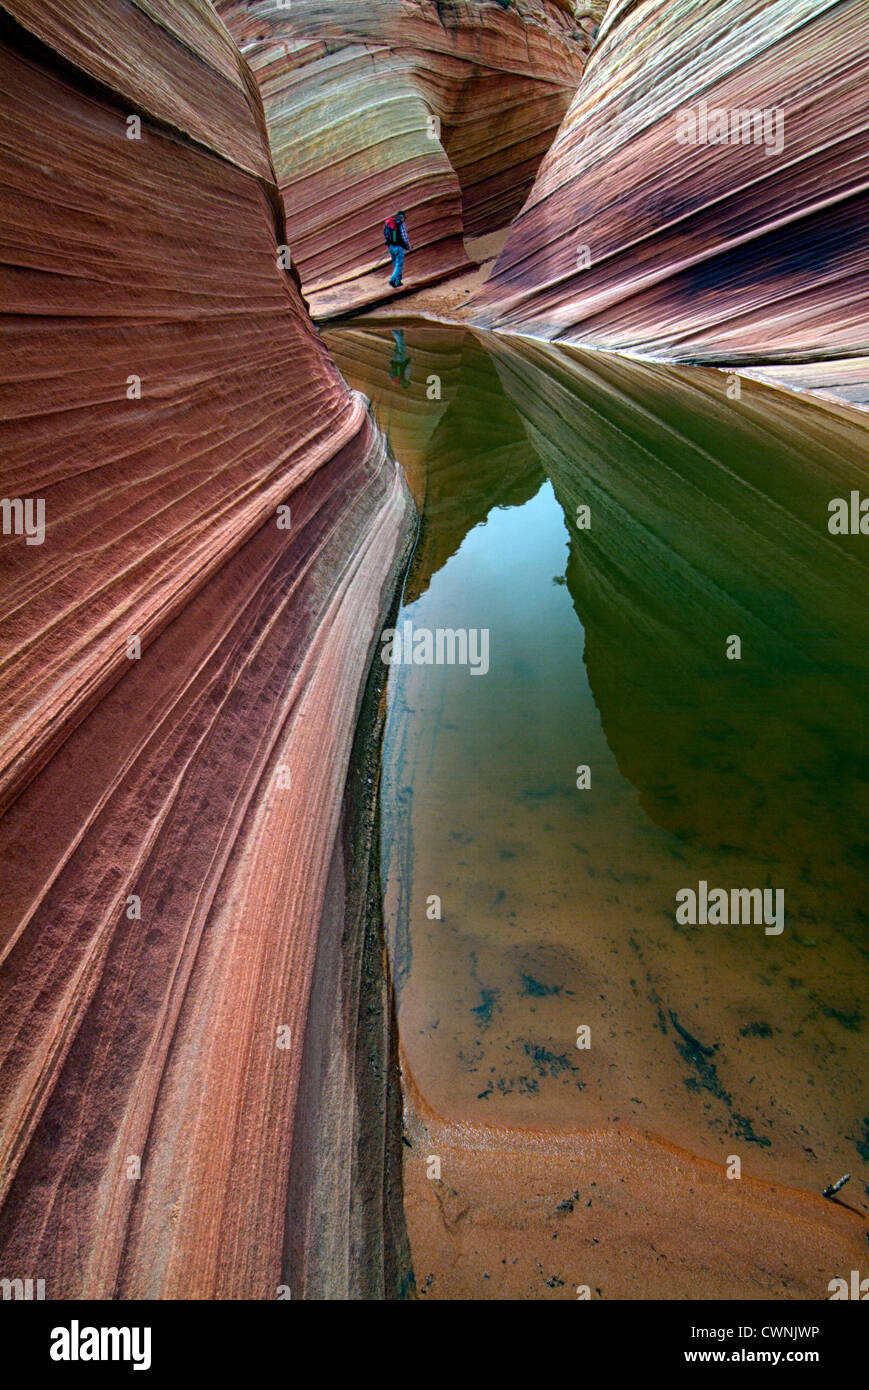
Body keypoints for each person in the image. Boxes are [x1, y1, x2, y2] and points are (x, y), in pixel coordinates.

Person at [384, 210, 411, 288]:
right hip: (398, 247)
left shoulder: (390, 224)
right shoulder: (401, 224)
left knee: (396, 264)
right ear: (401, 218)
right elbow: (404, 236)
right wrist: (408, 246)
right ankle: (392, 280)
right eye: (403, 218)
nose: (404, 219)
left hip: (391, 247)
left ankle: (398, 282)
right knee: (399, 265)